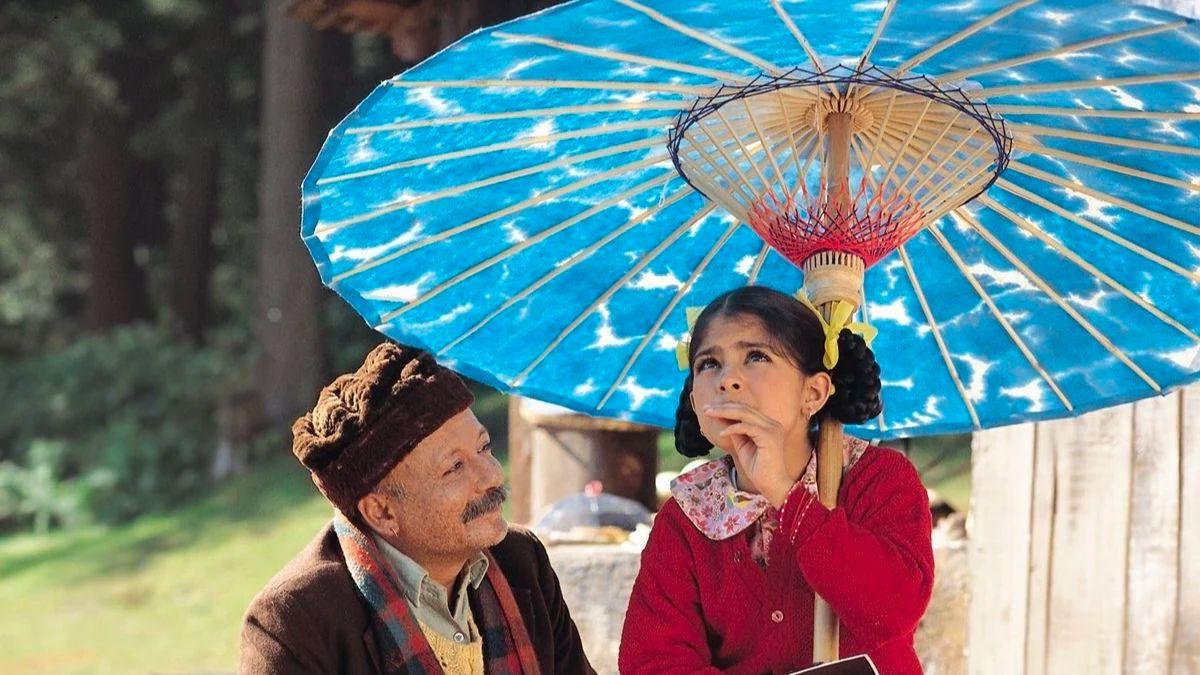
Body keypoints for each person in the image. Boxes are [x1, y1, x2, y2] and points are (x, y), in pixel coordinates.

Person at [618, 286, 933, 674]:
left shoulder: (878, 479)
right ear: (695, 400)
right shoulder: (687, 516)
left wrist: (787, 494)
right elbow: (653, 662)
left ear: (814, 392)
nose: (728, 379)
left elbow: (894, 610)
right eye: (708, 364)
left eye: (755, 356)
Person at [239, 342, 593, 674]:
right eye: (454, 467)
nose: (492, 475)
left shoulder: (522, 562)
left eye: (484, 448)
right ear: (382, 512)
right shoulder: (293, 625)